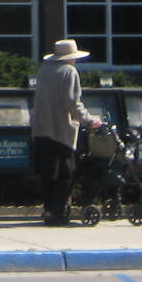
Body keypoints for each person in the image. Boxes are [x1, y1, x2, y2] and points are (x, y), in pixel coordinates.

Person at [31, 37, 101, 226]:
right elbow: (72, 102)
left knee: (48, 173)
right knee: (66, 173)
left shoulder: (44, 70)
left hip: (41, 129)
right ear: (70, 57)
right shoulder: (69, 72)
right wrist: (89, 120)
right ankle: (57, 212)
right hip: (61, 130)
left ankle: (48, 210)